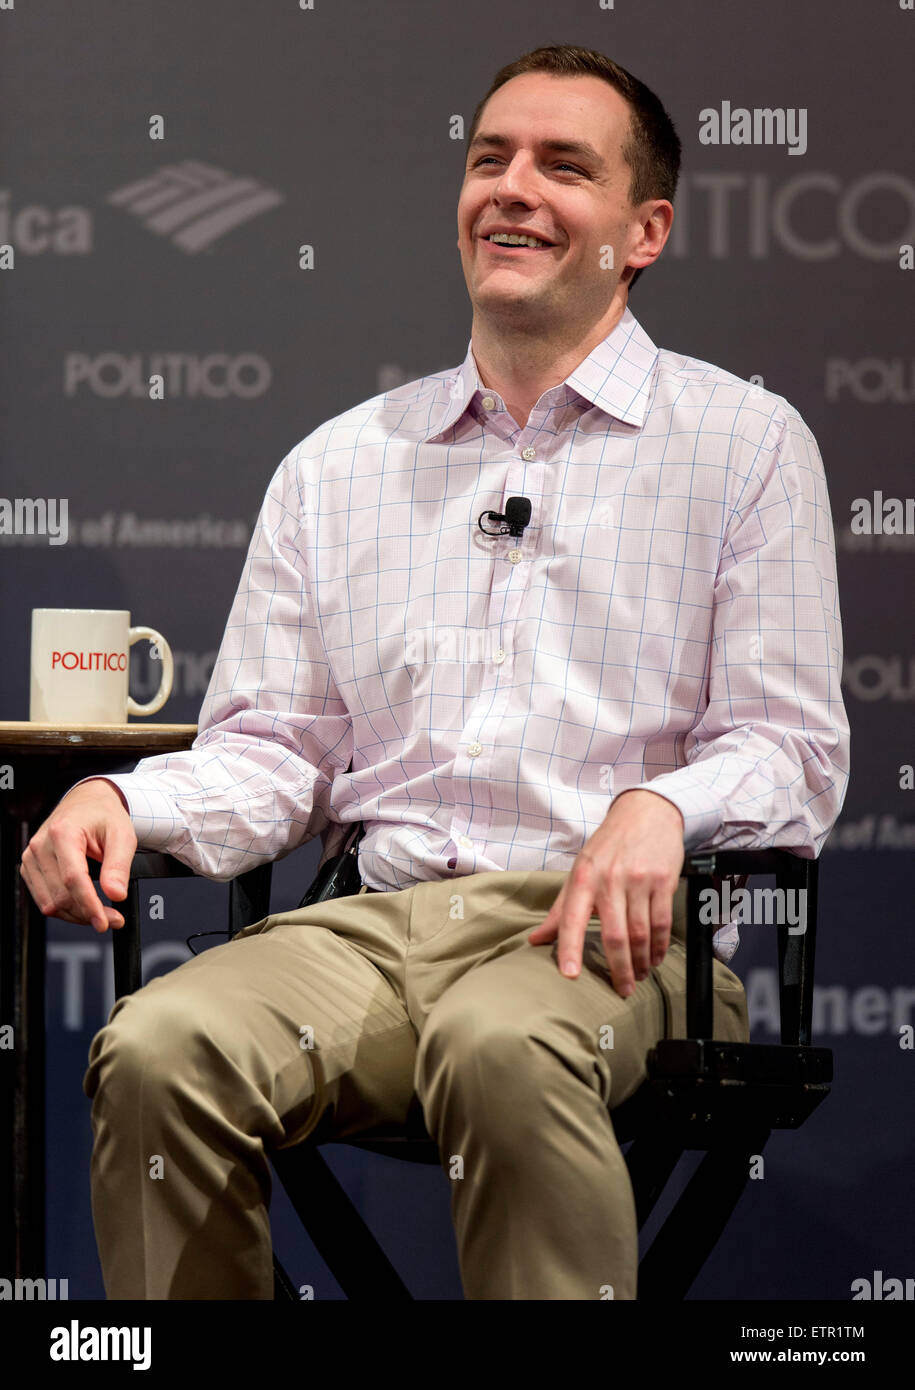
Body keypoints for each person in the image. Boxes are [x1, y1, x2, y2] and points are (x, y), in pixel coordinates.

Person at [20, 45, 850, 1300]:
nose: (512, 188)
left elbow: (792, 751)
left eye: (563, 167)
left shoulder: (743, 445)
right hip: (368, 933)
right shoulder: (338, 463)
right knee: (160, 1043)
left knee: (502, 1039)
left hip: (617, 946)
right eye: (488, 160)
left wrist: (661, 807)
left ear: (644, 230)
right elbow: (275, 756)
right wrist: (124, 799)